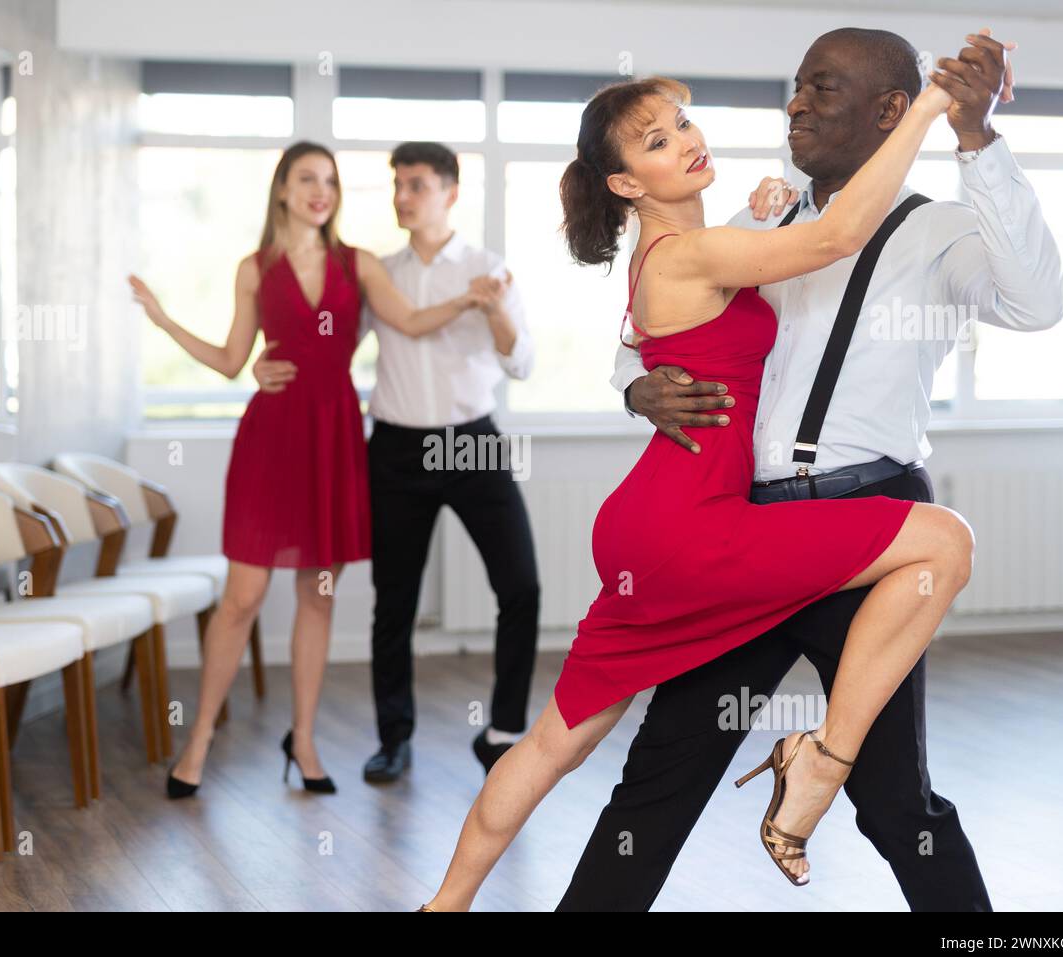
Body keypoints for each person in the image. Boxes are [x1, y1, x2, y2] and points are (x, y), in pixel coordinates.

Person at [417, 55, 976, 911]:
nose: (684, 140)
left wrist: (771, 208)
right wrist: (930, 105)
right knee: (942, 538)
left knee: (549, 745)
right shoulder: (688, 254)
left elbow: (713, 315)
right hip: (695, 525)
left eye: (681, 123)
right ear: (624, 182)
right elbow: (834, 240)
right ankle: (818, 763)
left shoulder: (673, 255)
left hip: (654, 523)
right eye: (655, 140)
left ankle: (441, 906)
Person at [558, 28, 1062, 911]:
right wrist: (638, 390)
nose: (796, 103)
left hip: (868, 532)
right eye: (796, 85)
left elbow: (1037, 299)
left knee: (896, 800)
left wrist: (977, 139)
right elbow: (648, 333)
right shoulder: (760, 218)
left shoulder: (941, 230)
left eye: (821, 89)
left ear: (890, 112)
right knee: (662, 779)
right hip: (746, 533)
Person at [128, 141, 500, 798]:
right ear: (282, 190)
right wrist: (161, 320)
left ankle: (302, 738)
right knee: (242, 596)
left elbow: (410, 322)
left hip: (332, 439)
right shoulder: (253, 268)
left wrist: (472, 301)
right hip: (270, 441)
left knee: (316, 594)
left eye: (329, 180)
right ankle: (200, 737)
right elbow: (229, 357)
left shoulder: (354, 264)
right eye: (307, 178)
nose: (321, 190)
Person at [361, 142, 540, 783]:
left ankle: (503, 731)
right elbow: (331, 345)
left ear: (450, 193)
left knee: (521, 586)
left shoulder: (490, 269)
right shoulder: (379, 274)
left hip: (472, 443)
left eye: (415, 185)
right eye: (397, 185)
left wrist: (492, 309)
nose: (402, 197)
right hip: (397, 447)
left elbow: (520, 363)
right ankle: (394, 738)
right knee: (394, 603)